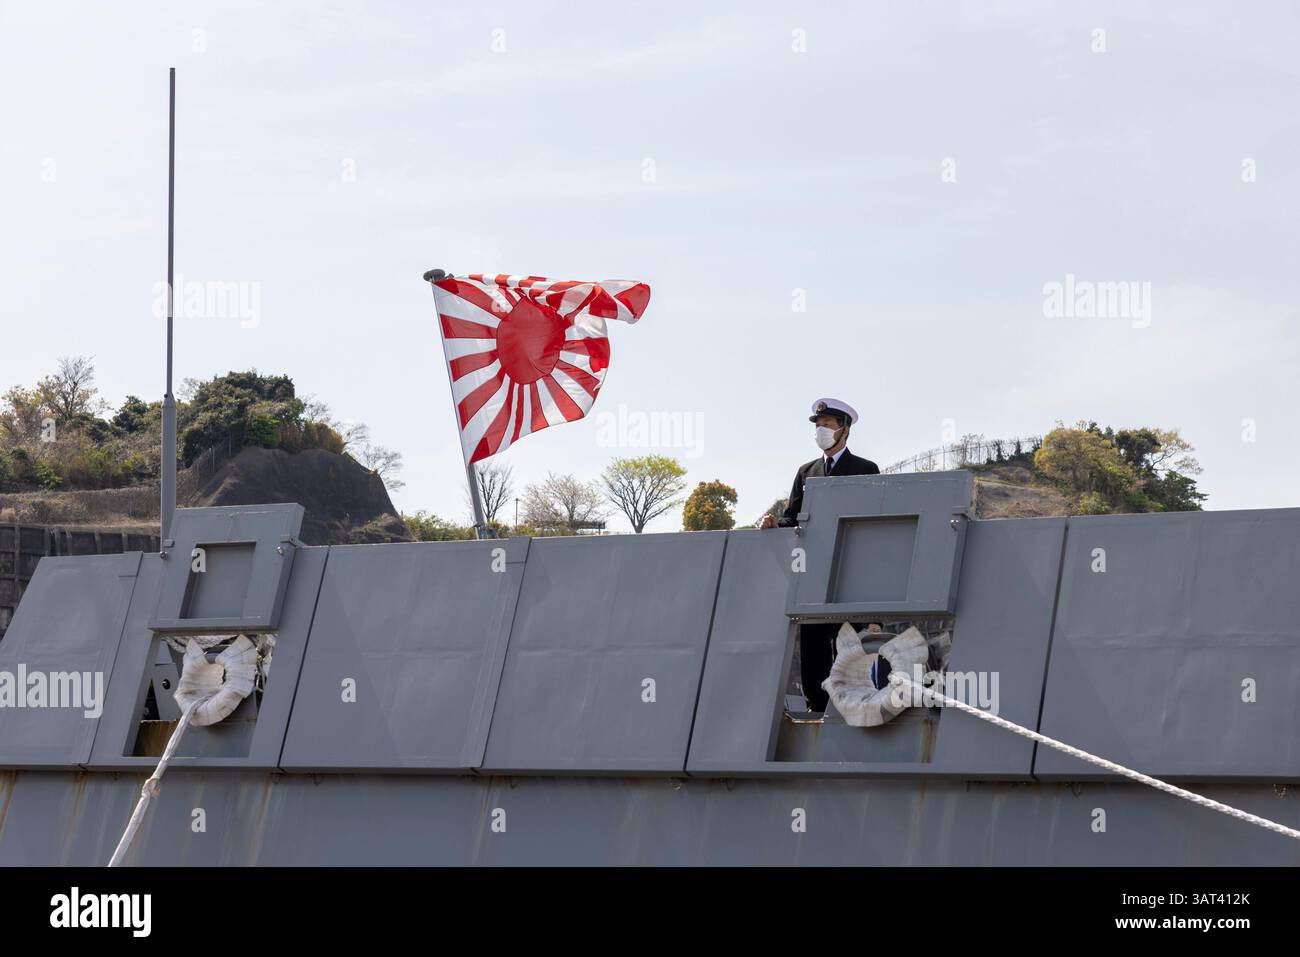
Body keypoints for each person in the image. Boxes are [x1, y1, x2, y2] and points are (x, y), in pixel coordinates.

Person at [760, 398, 880, 712]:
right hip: (814, 573)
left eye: (827, 426)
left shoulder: (865, 470)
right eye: (819, 426)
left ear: (845, 431)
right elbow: (793, 517)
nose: (821, 431)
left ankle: (860, 704)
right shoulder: (806, 472)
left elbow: (876, 523)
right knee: (813, 646)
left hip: (854, 574)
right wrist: (775, 523)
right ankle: (818, 707)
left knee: (855, 646)